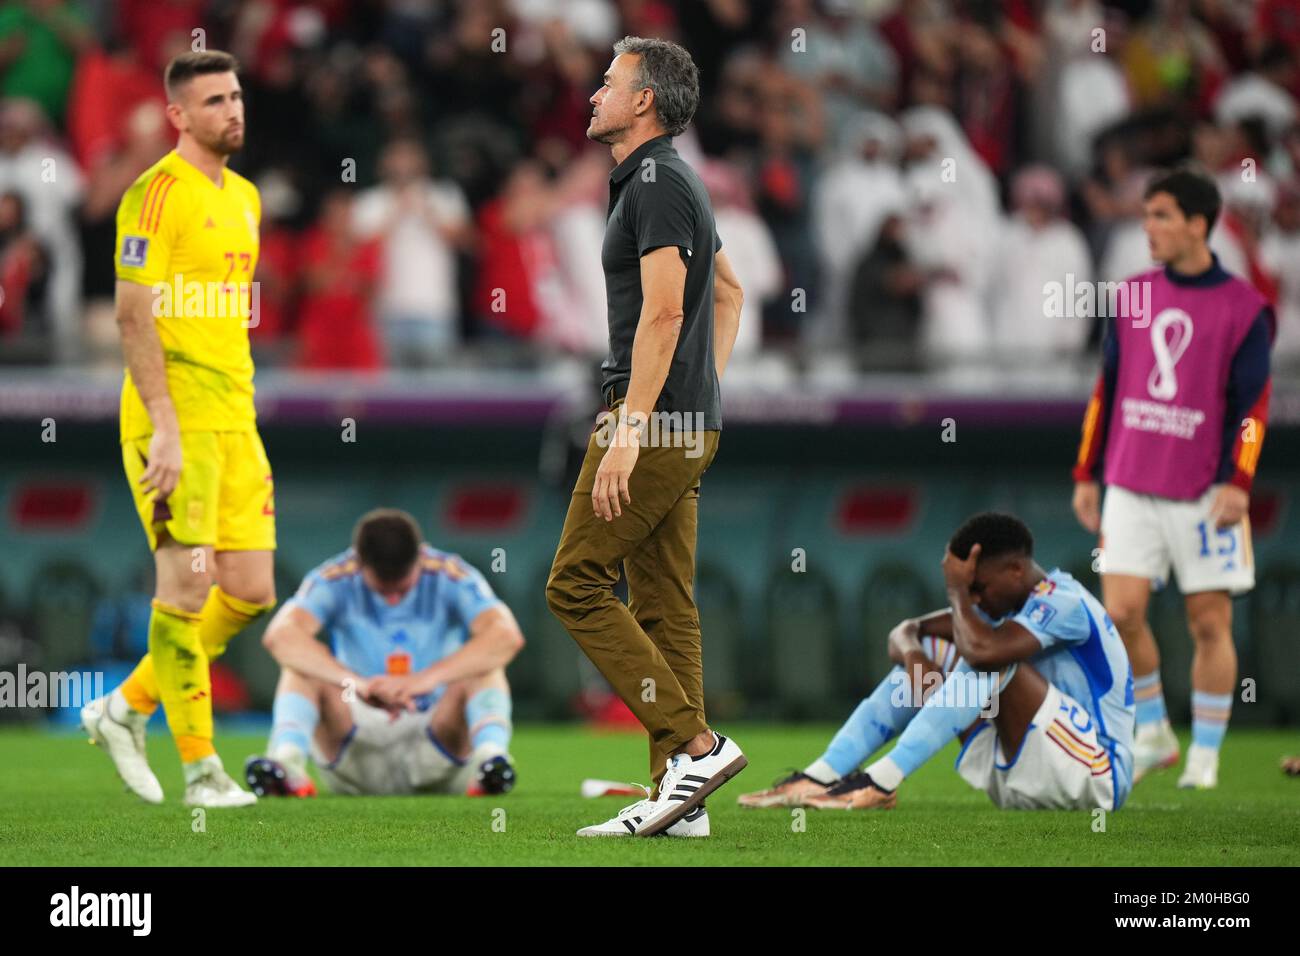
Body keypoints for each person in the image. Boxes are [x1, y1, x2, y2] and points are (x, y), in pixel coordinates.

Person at [545, 36, 747, 839]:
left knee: (575, 584)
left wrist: (632, 427)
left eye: (608, 82)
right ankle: (681, 796)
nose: (594, 93)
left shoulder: (656, 181)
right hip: (682, 417)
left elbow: (667, 312)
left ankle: (696, 744)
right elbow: (728, 293)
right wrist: (704, 392)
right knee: (663, 601)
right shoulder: (661, 181)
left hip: (653, 420)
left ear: (643, 102)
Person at [80, 51, 274, 808]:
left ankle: (125, 708)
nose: (233, 110)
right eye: (215, 100)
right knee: (187, 592)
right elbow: (134, 315)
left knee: (251, 589)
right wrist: (163, 425)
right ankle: (201, 771)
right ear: (179, 117)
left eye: (236, 95)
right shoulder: (153, 195)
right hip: (175, 418)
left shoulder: (248, 197)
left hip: (236, 413)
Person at [1072, 167, 1273, 790]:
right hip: (1130, 481)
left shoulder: (1245, 307)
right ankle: (1155, 727)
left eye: (1160, 215)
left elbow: (1253, 407)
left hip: (1205, 491)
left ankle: (1206, 755)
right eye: (1146, 216)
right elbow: (1106, 389)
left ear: (1197, 223)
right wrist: (1088, 470)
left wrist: (1239, 481)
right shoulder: (1131, 294)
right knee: (1123, 612)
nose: (1148, 227)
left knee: (1208, 622)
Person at [737, 513, 1135, 812]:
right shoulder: (1005, 607)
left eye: (978, 587)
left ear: (1016, 569)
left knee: (985, 656)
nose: (974, 599)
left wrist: (955, 591)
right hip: (1025, 770)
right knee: (947, 648)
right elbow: (907, 631)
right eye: (969, 590)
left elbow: (983, 651)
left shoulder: (1064, 601)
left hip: (1095, 773)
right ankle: (821, 774)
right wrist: (915, 657)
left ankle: (881, 780)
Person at [246, 509, 523, 798]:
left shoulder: (450, 574)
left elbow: (505, 636)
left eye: (402, 585)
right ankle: (287, 763)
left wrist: (424, 680)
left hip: (437, 740)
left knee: (484, 667)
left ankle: (490, 761)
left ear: (420, 557)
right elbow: (280, 636)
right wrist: (357, 683)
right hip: (357, 743)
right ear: (359, 563)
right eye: (382, 587)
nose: (393, 598)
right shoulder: (335, 577)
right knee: (302, 668)